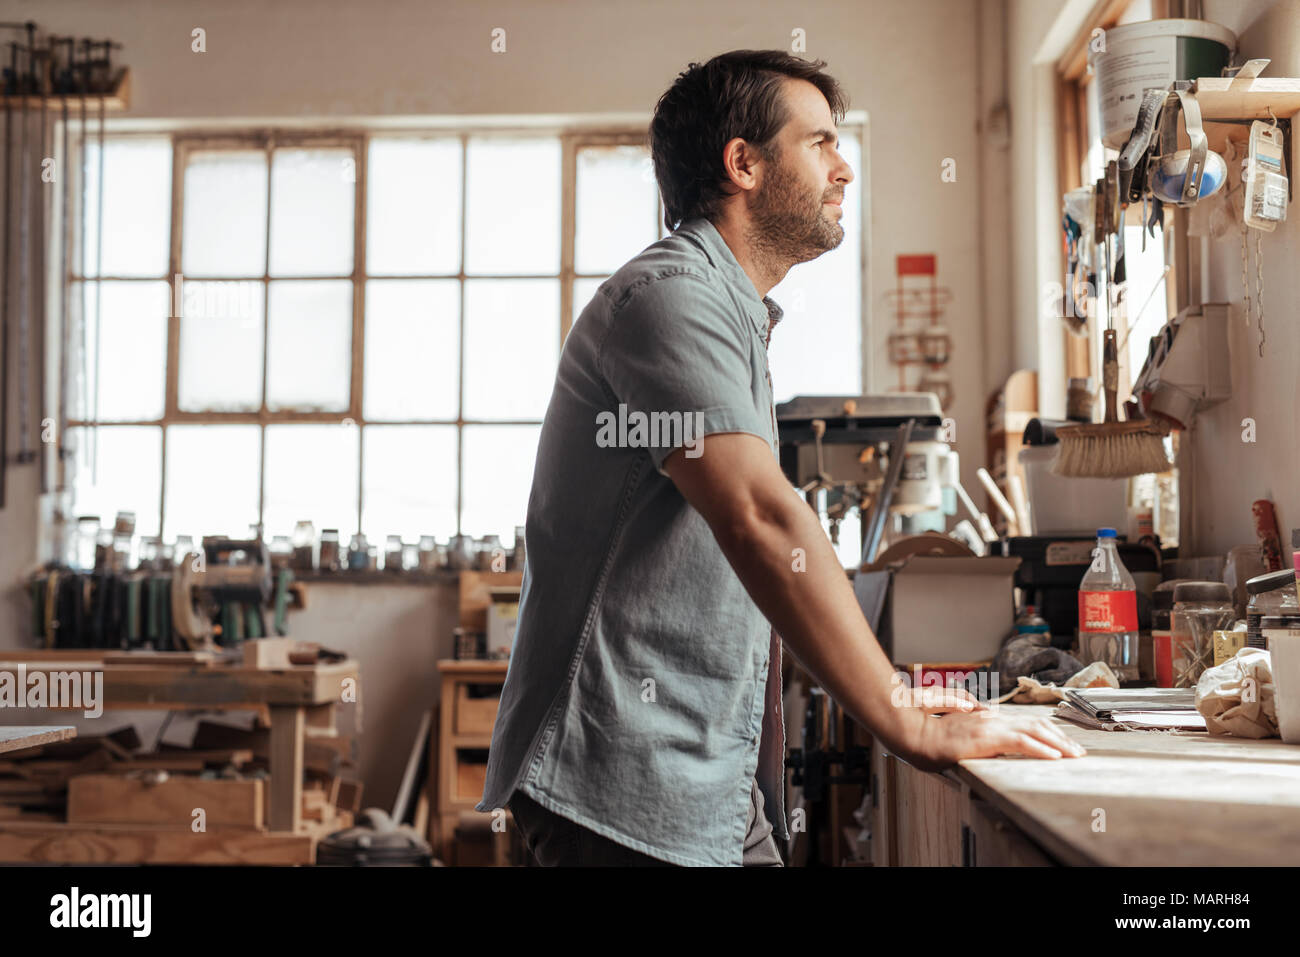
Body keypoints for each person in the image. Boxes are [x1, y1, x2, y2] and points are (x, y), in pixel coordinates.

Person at [476, 49, 1084, 868]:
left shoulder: (731, 312)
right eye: (822, 143)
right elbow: (761, 517)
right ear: (744, 163)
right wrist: (901, 714)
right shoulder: (671, 298)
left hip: (710, 785)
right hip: (621, 784)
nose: (844, 169)